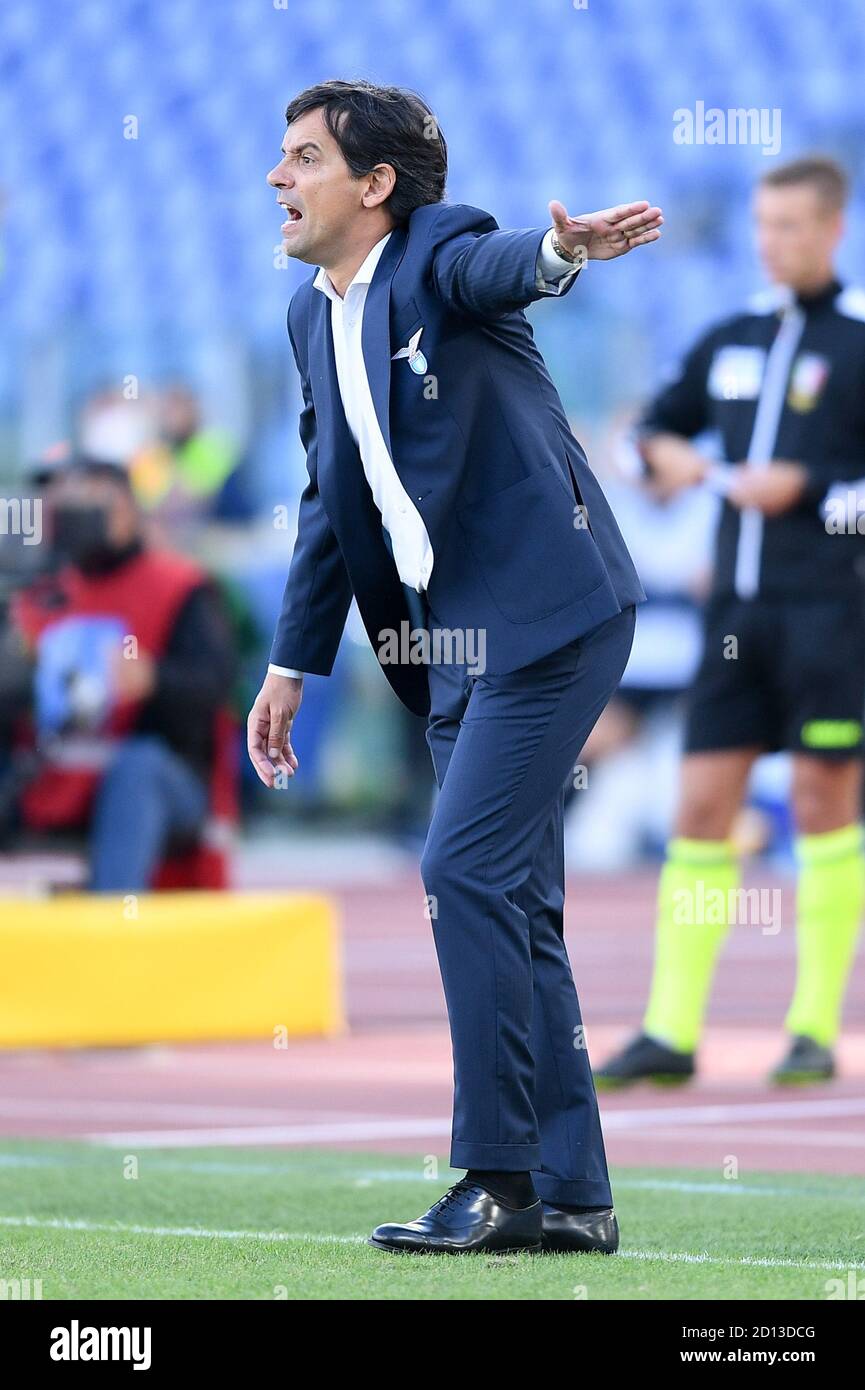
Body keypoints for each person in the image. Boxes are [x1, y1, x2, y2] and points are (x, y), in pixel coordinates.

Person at [247, 80, 659, 1255]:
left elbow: (500, 265)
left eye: (303, 157)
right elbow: (331, 502)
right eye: (280, 157)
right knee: (517, 906)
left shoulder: (439, 249)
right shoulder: (305, 314)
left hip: (552, 614)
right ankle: (573, 1195)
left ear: (375, 187)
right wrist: (292, 665)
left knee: (462, 872)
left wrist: (560, 253)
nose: (278, 178)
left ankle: (496, 1175)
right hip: (444, 645)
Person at [596, 157, 865, 1090]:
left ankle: (812, 1028)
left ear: (833, 229)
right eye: (762, 223)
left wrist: (815, 495)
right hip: (734, 621)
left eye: (791, 224)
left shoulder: (860, 340)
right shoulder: (731, 338)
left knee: (824, 803)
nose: (772, 241)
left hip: (832, 619)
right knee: (701, 805)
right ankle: (670, 1031)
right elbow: (646, 434)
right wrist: (657, 456)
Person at [10, 455, 236, 891]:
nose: (83, 517)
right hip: (50, 770)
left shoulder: (179, 585)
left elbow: (219, 685)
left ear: (130, 509)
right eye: (69, 505)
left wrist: (155, 680)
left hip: (161, 775)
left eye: (98, 502)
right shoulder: (37, 595)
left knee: (137, 770)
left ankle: (111, 929)